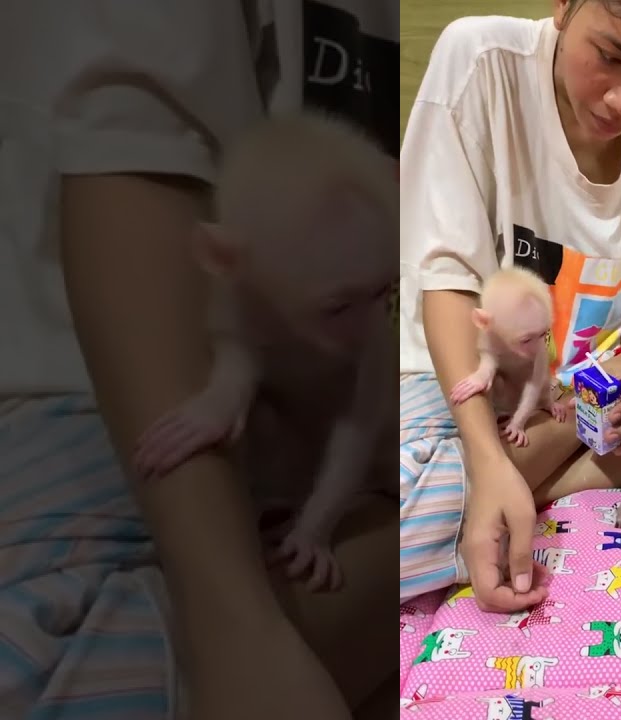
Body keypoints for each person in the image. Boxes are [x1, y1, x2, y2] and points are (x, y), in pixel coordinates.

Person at [0, 2, 398, 718]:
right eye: (345, 306)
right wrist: (237, 631)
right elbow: (235, 333)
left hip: (342, 451)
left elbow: (360, 416)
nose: (367, 322)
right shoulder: (234, 274)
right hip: (80, 397)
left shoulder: (349, 294)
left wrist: (314, 530)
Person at [398, 0, 621, 613]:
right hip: (462, 388)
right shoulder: (482, 62)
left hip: (602, 390)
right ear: (564, 5)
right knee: (388, 508)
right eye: (609, 56)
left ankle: (530, 478)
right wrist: (489, 459)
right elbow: (444, 277)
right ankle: (566, 471)